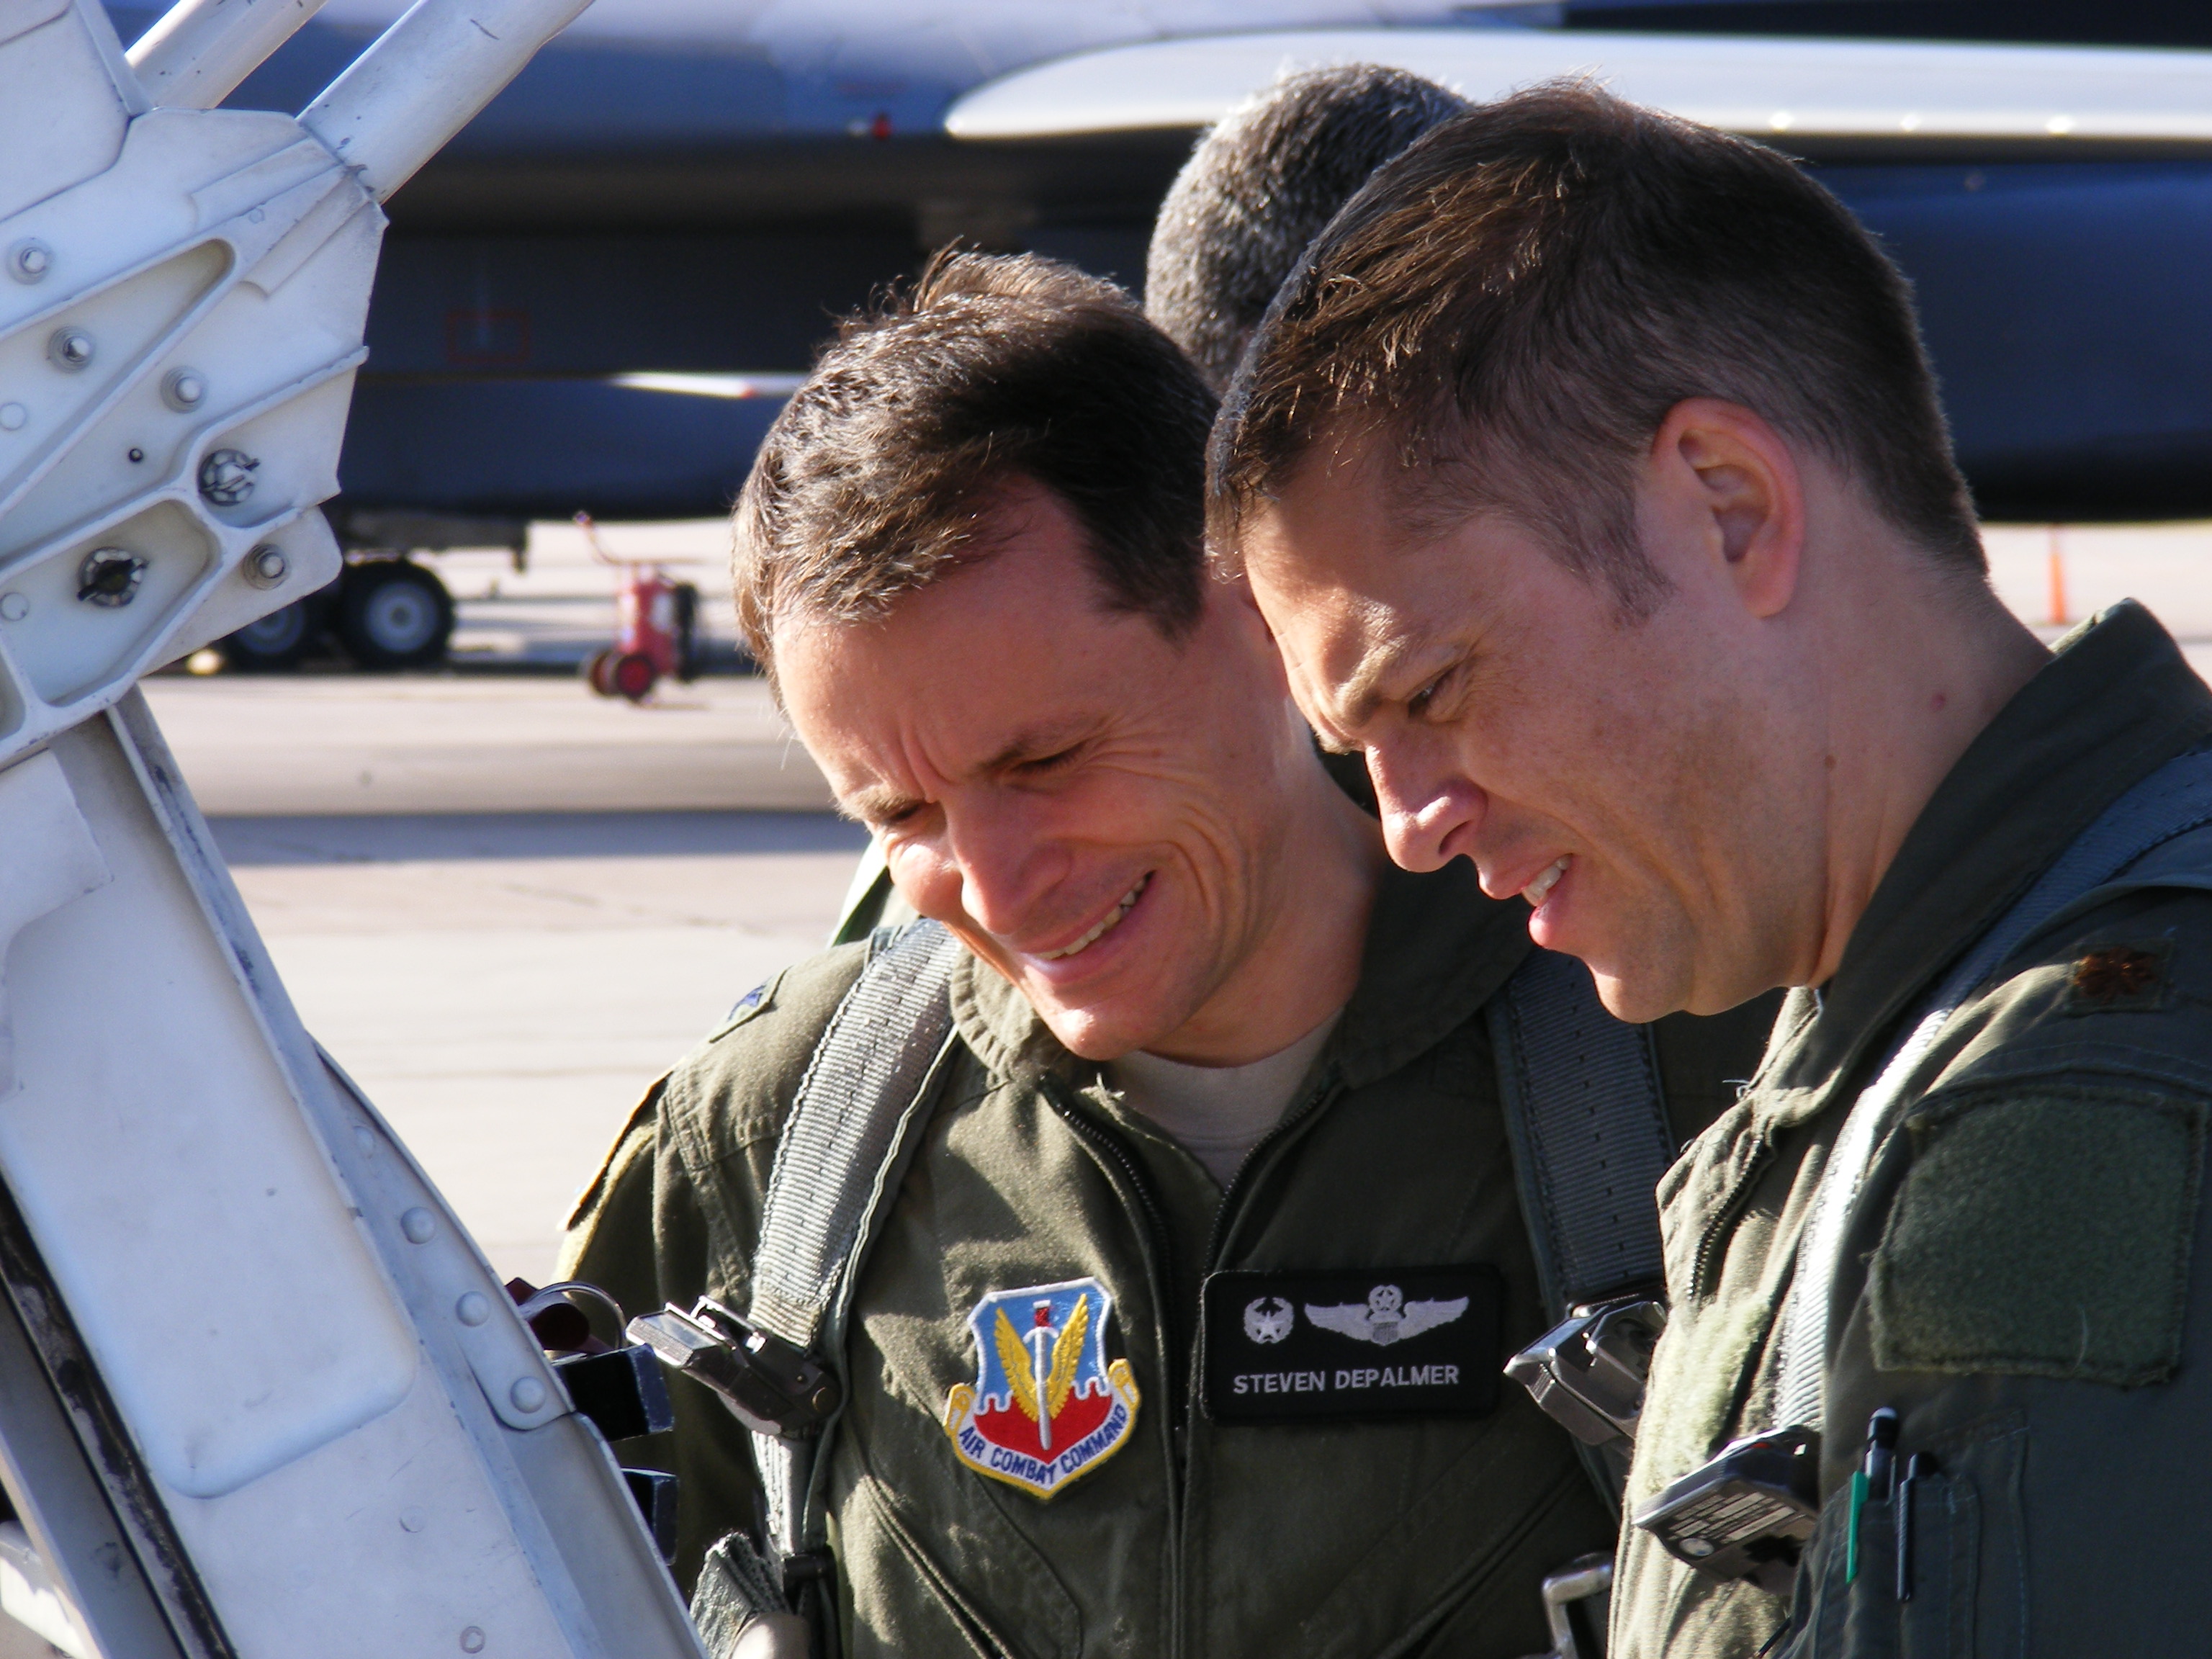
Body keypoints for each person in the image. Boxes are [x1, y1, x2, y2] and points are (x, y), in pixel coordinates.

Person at [559, 248, 1772, 1658]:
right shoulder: (777, 1140)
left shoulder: (1707, 1068)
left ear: (1257, 612)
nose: (998, 882)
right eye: (900, 810)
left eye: (1051, 756)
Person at [1213, 80, 2212, 1657]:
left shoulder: (2056, 1130)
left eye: (1432, 691)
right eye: (1358, 749)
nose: (1408, 821)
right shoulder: (1905, 1037)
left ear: (1726, 509)